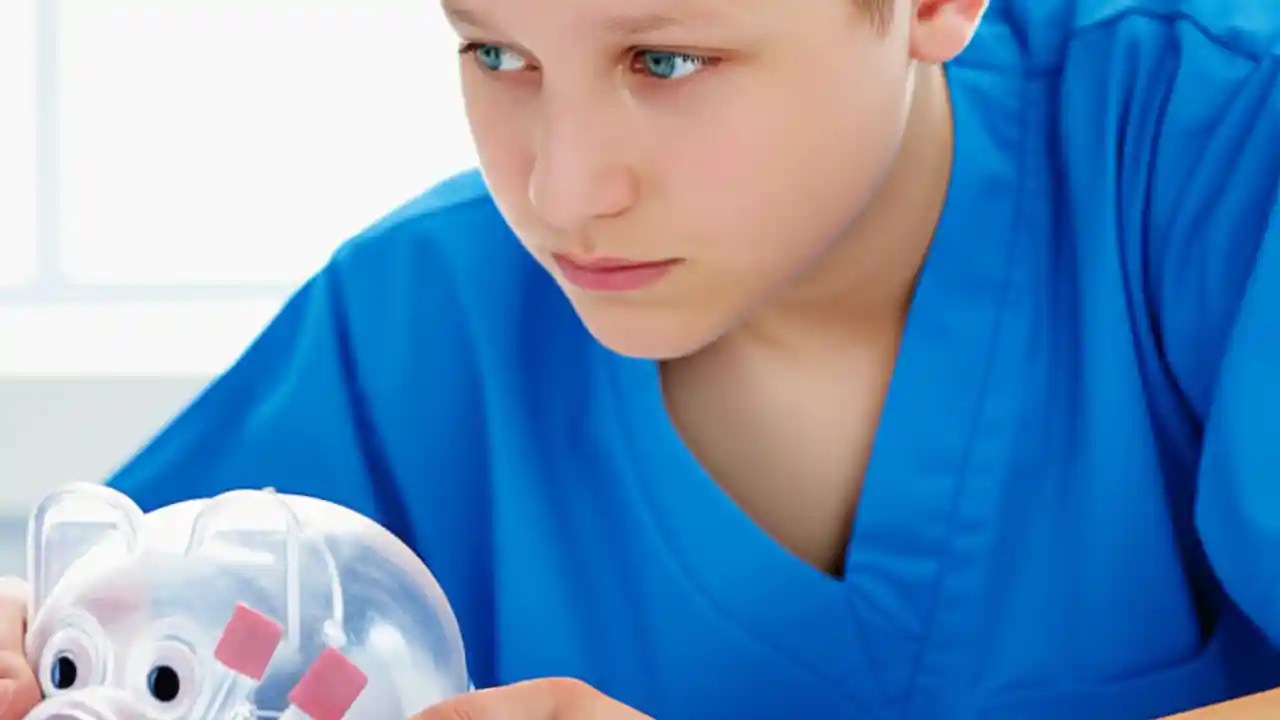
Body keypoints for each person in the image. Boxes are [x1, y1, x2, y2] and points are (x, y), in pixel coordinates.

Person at [2, 0, 1278, 716]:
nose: (560, 191)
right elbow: (136, 628)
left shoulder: (1214, 150)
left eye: (667, 60)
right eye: (495, 54)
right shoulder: (418, 324)